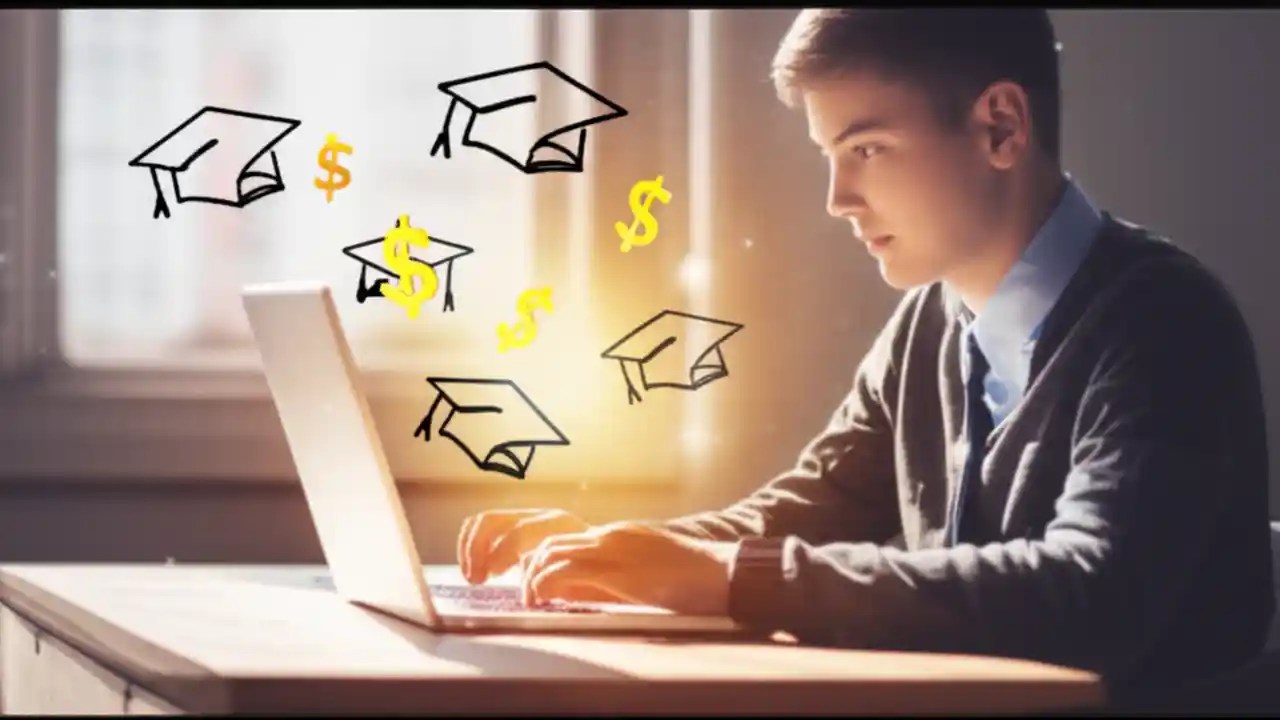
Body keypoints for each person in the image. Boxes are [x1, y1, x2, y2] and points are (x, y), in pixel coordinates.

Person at [456, 8, 1274, 704]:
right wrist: (609, 553)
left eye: (868, 149)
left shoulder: (1163, 322)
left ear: (1001, 126)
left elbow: (1091, 595)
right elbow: (796, 519)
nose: (838, 201)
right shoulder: (929, 322)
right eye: (829, 156)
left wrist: (728, 575)